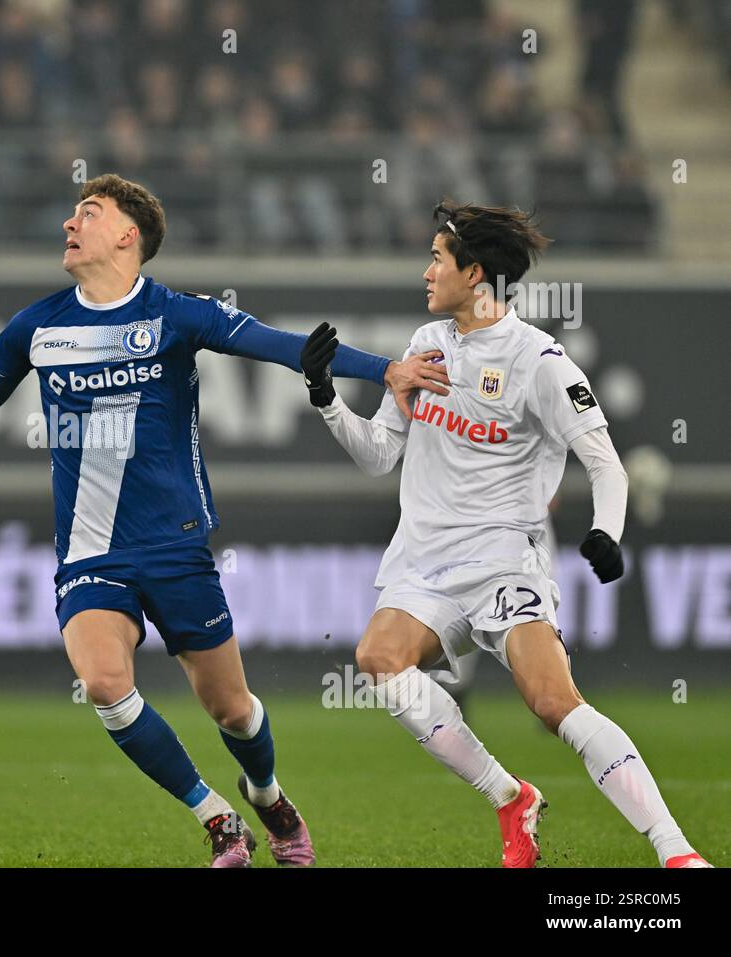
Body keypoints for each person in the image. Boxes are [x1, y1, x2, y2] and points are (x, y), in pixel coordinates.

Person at [0, 173, 448, 866]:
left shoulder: (177, 315)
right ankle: (217, 818)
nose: (68, 224)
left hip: (174, 548)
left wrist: (386, 368)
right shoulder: (39, 325)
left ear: (127, 235)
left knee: (232, 709)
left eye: (86, 212)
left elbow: (282, 344)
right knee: (105, 684)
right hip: (90, 555)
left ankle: (267, 796)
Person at [303, 200, 709, 868]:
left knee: (553, 702)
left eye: (438, 257)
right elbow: (379, 453)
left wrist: (607, 531)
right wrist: (326, 396)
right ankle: (509, 796)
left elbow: (605, 461)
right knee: (379, 657)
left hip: (504, 563)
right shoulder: (423, 347)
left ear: (477, 273)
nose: (427, 270)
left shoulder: (539, 361)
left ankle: (675, 851)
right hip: (425, 563)